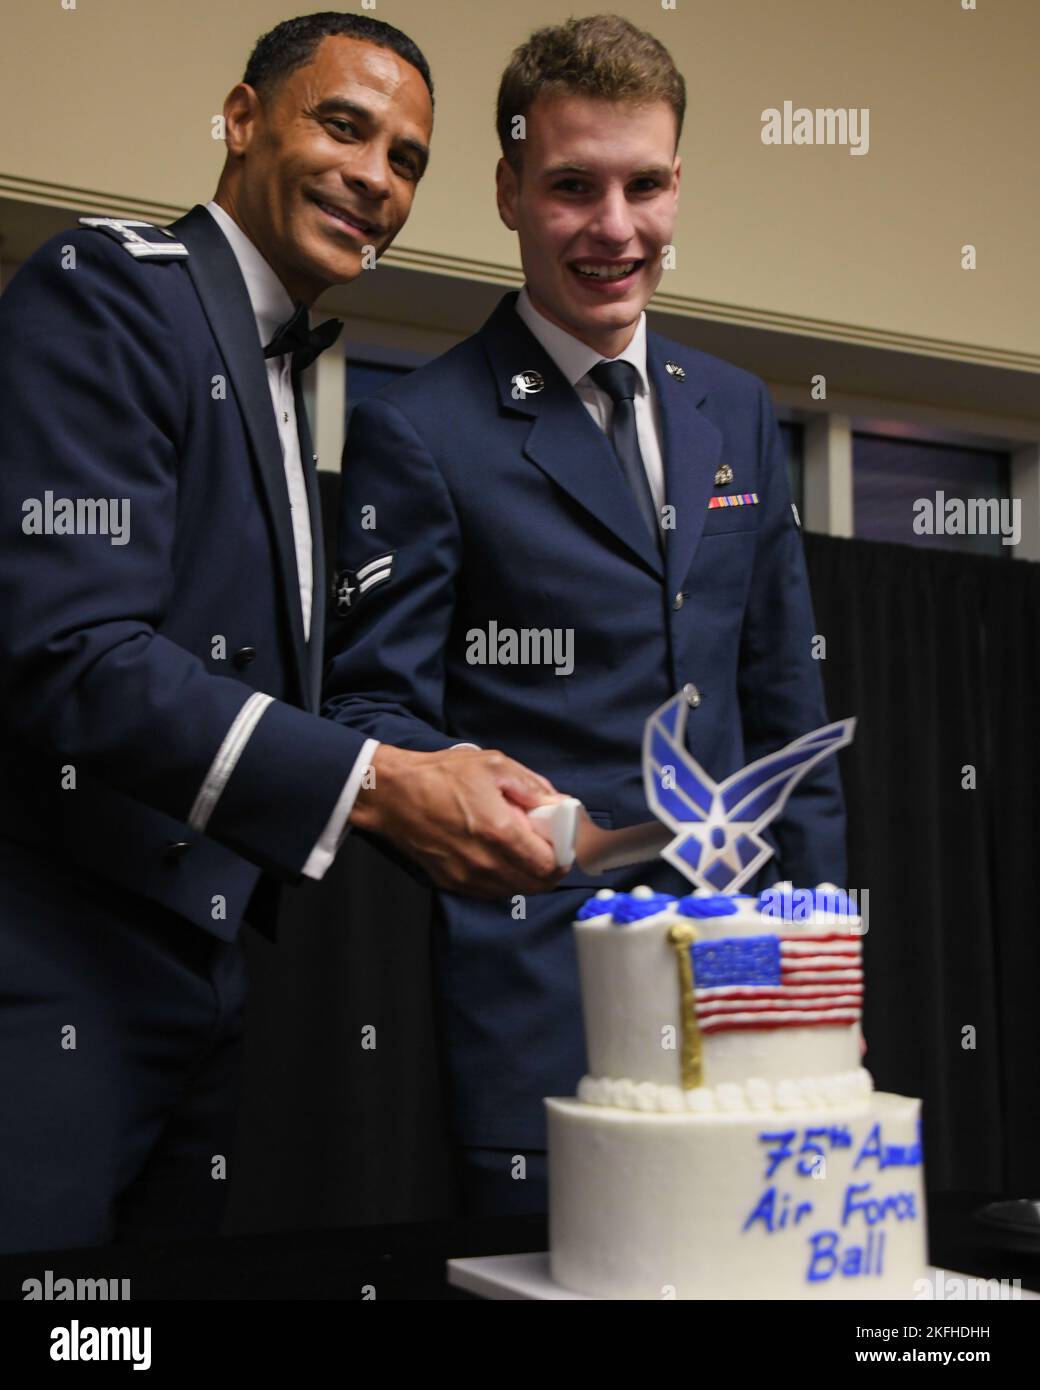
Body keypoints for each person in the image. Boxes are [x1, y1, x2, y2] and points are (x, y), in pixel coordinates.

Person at [0, 12, 561, 1256]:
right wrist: (377, 786)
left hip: (199, 976)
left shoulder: (289, 373)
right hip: (47, 971)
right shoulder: (108, 289)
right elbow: (71, 656)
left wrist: (455, 785)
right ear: (242, 120)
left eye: (407, 158)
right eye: (344, 125)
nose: (376, 176)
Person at [323, 14, 847, 1216]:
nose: (615, 227)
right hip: (536, 1007)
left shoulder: (738, 409)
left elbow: (786, 715)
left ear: (677, 185)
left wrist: (815, 984)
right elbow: (371, 707)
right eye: (572, 186)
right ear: (508, 191)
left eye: (643, 184)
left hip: (745, 1007)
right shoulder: (422, 427)